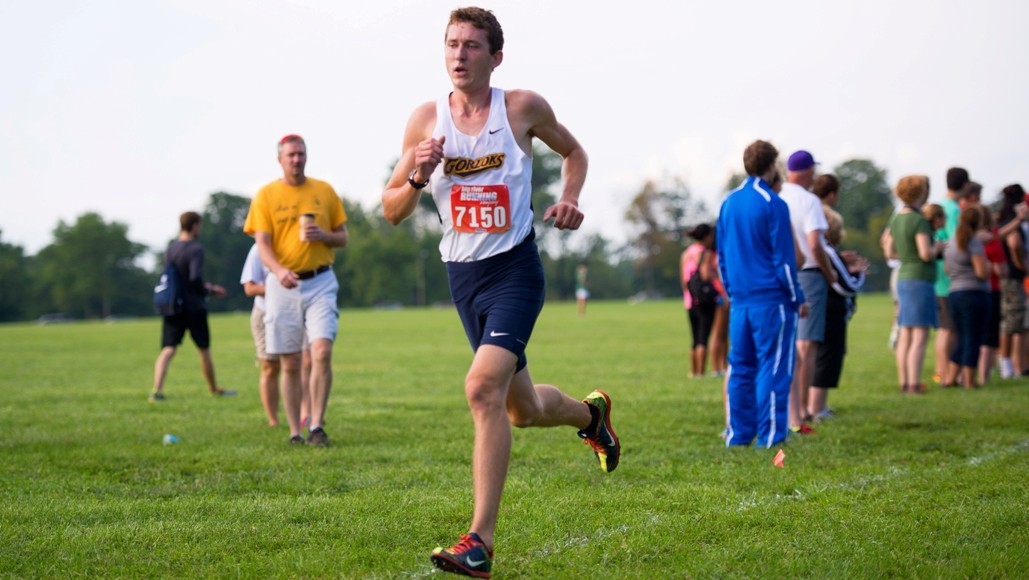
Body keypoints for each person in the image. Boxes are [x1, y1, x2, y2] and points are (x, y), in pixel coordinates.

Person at [379, 8, 619, 578]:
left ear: (496, 57)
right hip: (462, 279)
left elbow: (575, 152)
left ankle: (479, 542)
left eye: (471, 45)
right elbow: (390, 210)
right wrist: (416, 175)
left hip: (515, 271)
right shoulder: (424, 121)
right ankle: (591, 417)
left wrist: (571, 198)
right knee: (524, 410)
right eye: (451, 44)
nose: (459, 54)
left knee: (481, 389)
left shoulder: (521, 108)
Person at [243, 134, 349, 446]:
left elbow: (343, 238)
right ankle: (294, 431)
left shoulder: (323, 191)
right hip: (282, 284)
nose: (296, 159)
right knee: (288, 361)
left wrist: (324, 235)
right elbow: (262, 245)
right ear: (280, 159)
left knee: (322, 350)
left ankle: (316, 424)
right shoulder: (265, 195)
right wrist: (278, 270)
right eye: (290, 155)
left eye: (301, 154)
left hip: (321, 281)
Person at [716, 140, 807, 448]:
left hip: (740, 301)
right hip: (772, 300)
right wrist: (798, 298)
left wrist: (732, 291)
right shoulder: (773, 203)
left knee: (740, 367)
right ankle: (769, 437)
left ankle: (738, 435)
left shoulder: (728, 203)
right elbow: (783, 261)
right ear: (772, 166)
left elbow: (723, 257)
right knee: (774, 366)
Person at [150, 211, 233, 402]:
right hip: (193, 306)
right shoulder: (196, 249)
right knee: (203, 348)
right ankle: (214, 389)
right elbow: (194, 277)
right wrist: (210, 289)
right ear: (195, 225)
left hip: (173, 306)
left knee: (168, 348)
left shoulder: (170, 249)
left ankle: (157, 390)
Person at [779, 150, 834, 431]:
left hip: (781, 277)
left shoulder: (778, 197)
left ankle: (792, 412)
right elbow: (815, 244)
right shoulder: (809, 200)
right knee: (806, 347)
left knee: (790, 346)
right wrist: (830, 272)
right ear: (806, 171)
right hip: (808, 274)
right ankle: (801, 412)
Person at [239, 243, 313, 427]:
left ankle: (306, 414)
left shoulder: (299, 244)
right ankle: (273, 419)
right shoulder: (258, 249)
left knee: (304, 362)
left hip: (298, 309)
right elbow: (249, 288)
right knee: (270, 367)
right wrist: (278, 288)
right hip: (266, 312)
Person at [810, 204, 868, 419]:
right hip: (830, 309)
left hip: (820, 307)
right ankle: (817, 407)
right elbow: (845, 284)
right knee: (828, 356)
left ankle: (814, 406)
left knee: (817, 355)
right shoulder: (826, 249)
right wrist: (860, 275)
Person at [883, 176, 936, 394]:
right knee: (920, 334)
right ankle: (914, 383)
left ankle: (904, 382)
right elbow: (925, 253)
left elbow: (889, 251)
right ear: (919, 193)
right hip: (919, 278)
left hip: (903, 276)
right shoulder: (918, 220)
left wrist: (905, 255)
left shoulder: (896, 219)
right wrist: (938, 249)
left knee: (905, 332)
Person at [943, 206, 990, 389]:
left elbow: (947, 270)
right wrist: (989, 268)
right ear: (978, 222)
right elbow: (981, 272)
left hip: (955, 292)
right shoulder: (973, 242)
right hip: (975, 293)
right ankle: (969, 381)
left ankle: (951, 378)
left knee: (962, 337)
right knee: (974, 338)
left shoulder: (953, 241)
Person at [932, 167, 969, 384]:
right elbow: (958, 243)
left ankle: (942, 371)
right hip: (949, 276)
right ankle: (946, 374)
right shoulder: (954, 210)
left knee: (945, 327)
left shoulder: (939, 204)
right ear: (964, 185)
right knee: (949, 328)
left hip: (938, 273)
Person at [996, 184, 1027, 379]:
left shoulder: (1002, 219)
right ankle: (1008, 366)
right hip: (1013, 277)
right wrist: (1021, 263)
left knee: (1011, 321)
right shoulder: (1014, 222)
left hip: (1007, 277)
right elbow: (1014, 242)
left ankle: (1010, 365)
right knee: (1012, 322)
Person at [681, 223, 717, 378]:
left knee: (694, 337)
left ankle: (693, 371)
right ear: (707, 236)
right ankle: (701, 372)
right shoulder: (705, 253)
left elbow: (684, 279)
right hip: (703, 300)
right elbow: (705, 275)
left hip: (689, 299)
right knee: (703, 336)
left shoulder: (686, 253)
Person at [978, 205, 1007, 384]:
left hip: (964, 290)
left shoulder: (963, 238)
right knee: (989, 336)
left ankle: (962, 376)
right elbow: (1000, 269)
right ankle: (983, 377)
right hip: (991, 289)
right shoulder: (991, 240)